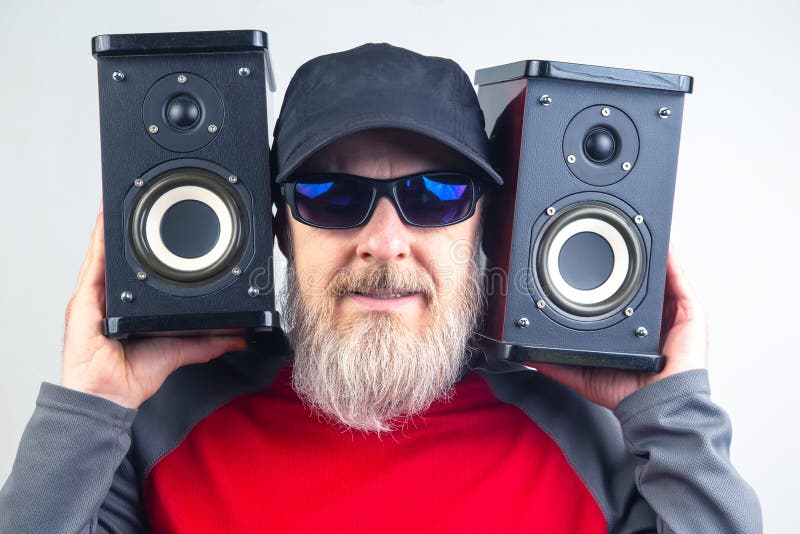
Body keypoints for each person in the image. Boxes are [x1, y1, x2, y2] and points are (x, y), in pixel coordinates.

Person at [0, 43, 760, 533]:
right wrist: (90, 403)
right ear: (278, 230)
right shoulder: (165, 428)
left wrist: (669, 411)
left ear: (486, 229)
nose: (385, 240)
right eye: (333, 197)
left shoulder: (592, 441)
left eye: (435, 196)